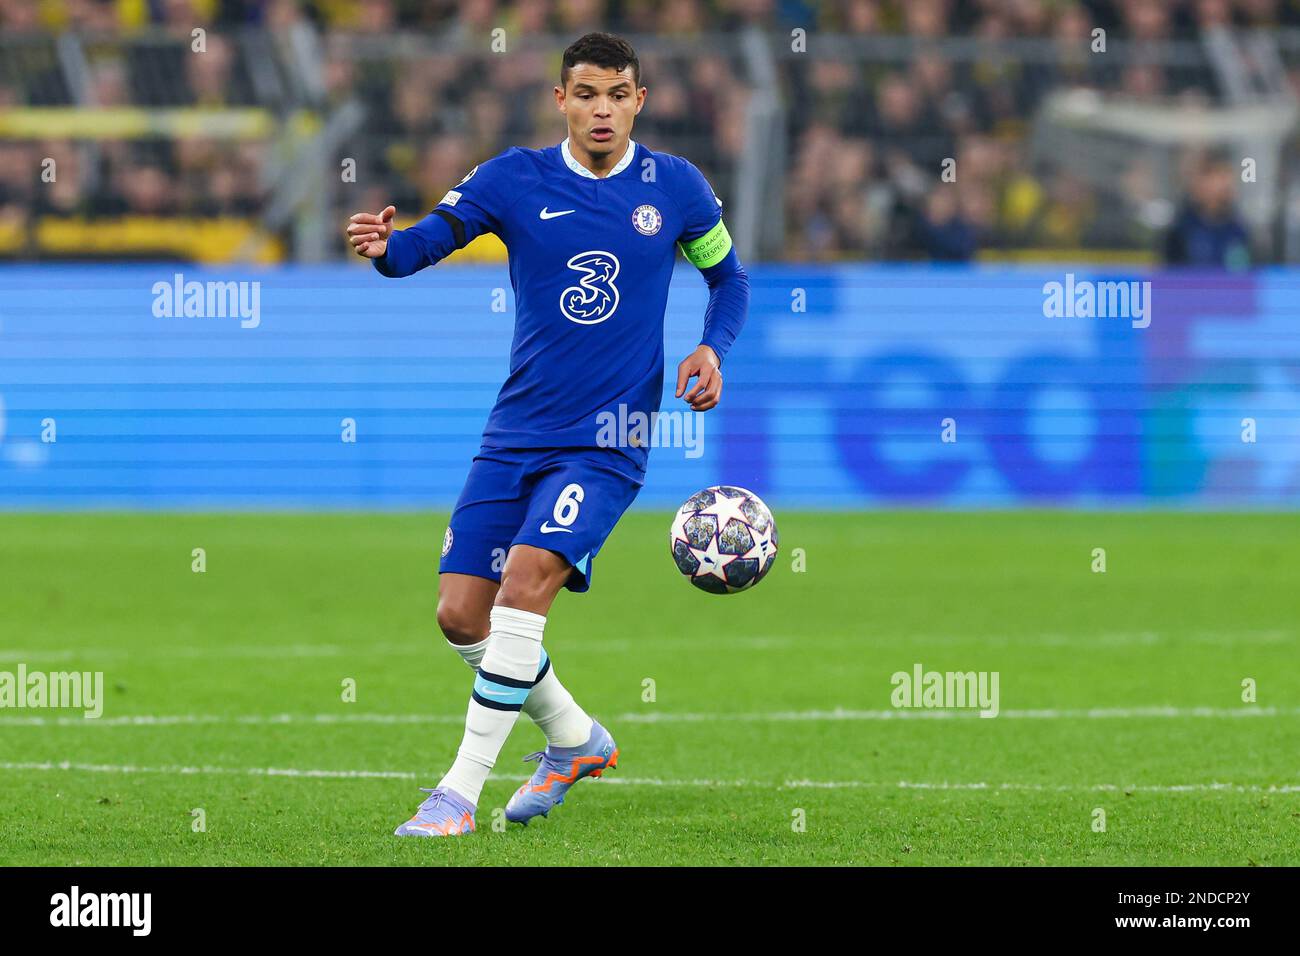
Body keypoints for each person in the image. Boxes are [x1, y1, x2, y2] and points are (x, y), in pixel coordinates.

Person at [345, 32, 750, 837]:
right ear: (560, 100)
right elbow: (427, 242)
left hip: (611, 436)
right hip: (517, 431)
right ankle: (574, 739)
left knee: (528, 578)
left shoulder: (677, 188)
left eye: (618, 94)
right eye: (587, 94)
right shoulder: (511, 178)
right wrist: (389, 250)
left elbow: (727, 278)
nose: (603, 108)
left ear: (640, 101)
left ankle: (456, 794)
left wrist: (712, 347)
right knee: (462, 614)